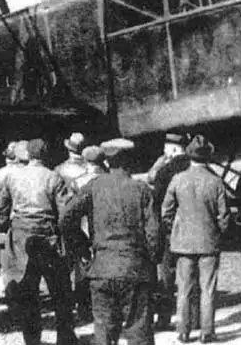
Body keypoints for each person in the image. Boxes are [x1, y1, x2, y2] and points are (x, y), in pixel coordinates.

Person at [62, 138, 160, 345]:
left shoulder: (93, 187)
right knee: (139, 330)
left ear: (107, 161)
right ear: (130, 161)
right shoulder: (142, 190)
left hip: (102, 268)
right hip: (135, 268)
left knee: (104, 330)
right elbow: (154, 233)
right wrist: (151, 261)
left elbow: (66, 218)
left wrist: (81, 247)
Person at [0, 138, 78, 345]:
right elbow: (65, 212)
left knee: (27, 293)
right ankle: (65, 338)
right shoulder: (54, 177)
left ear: (28, 155)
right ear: (45, 154)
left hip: (22, 239)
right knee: (60, 291)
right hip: (49, 238)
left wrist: (6, 226)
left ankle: (32, 340)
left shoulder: (12, 177)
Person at [162, 134, 229, 344]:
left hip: (183, 244)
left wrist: (175, 230)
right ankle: (207, 332)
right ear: (208, 157)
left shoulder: (177, 179)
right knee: (208, 289)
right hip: (209, 244)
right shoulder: (216, 182)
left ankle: (182, 332)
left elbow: (166, 211)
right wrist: (217, 233)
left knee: (184, 289)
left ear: (189, 156)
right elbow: (224, 216)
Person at [147, 132, 192, 330]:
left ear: (173, 149)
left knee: (166, 277)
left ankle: (164, 319)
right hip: (191, 230)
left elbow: (154, 197)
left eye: (166, 147)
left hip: (169, 231)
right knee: (191, 277)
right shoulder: (195, 167)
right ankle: (191, 319)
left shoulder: (166, 170)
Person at [68, 145, 109, 322]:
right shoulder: (110, 179)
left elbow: (70, 212)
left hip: (84, 230)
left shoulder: (78, 182)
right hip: (106, 230)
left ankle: (84, 309)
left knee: (83, 269)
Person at [0, 140, 21, 301]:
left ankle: (6, 291)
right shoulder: (25, 173)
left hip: (5, 223)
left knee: (6, 261)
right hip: (21, 222)